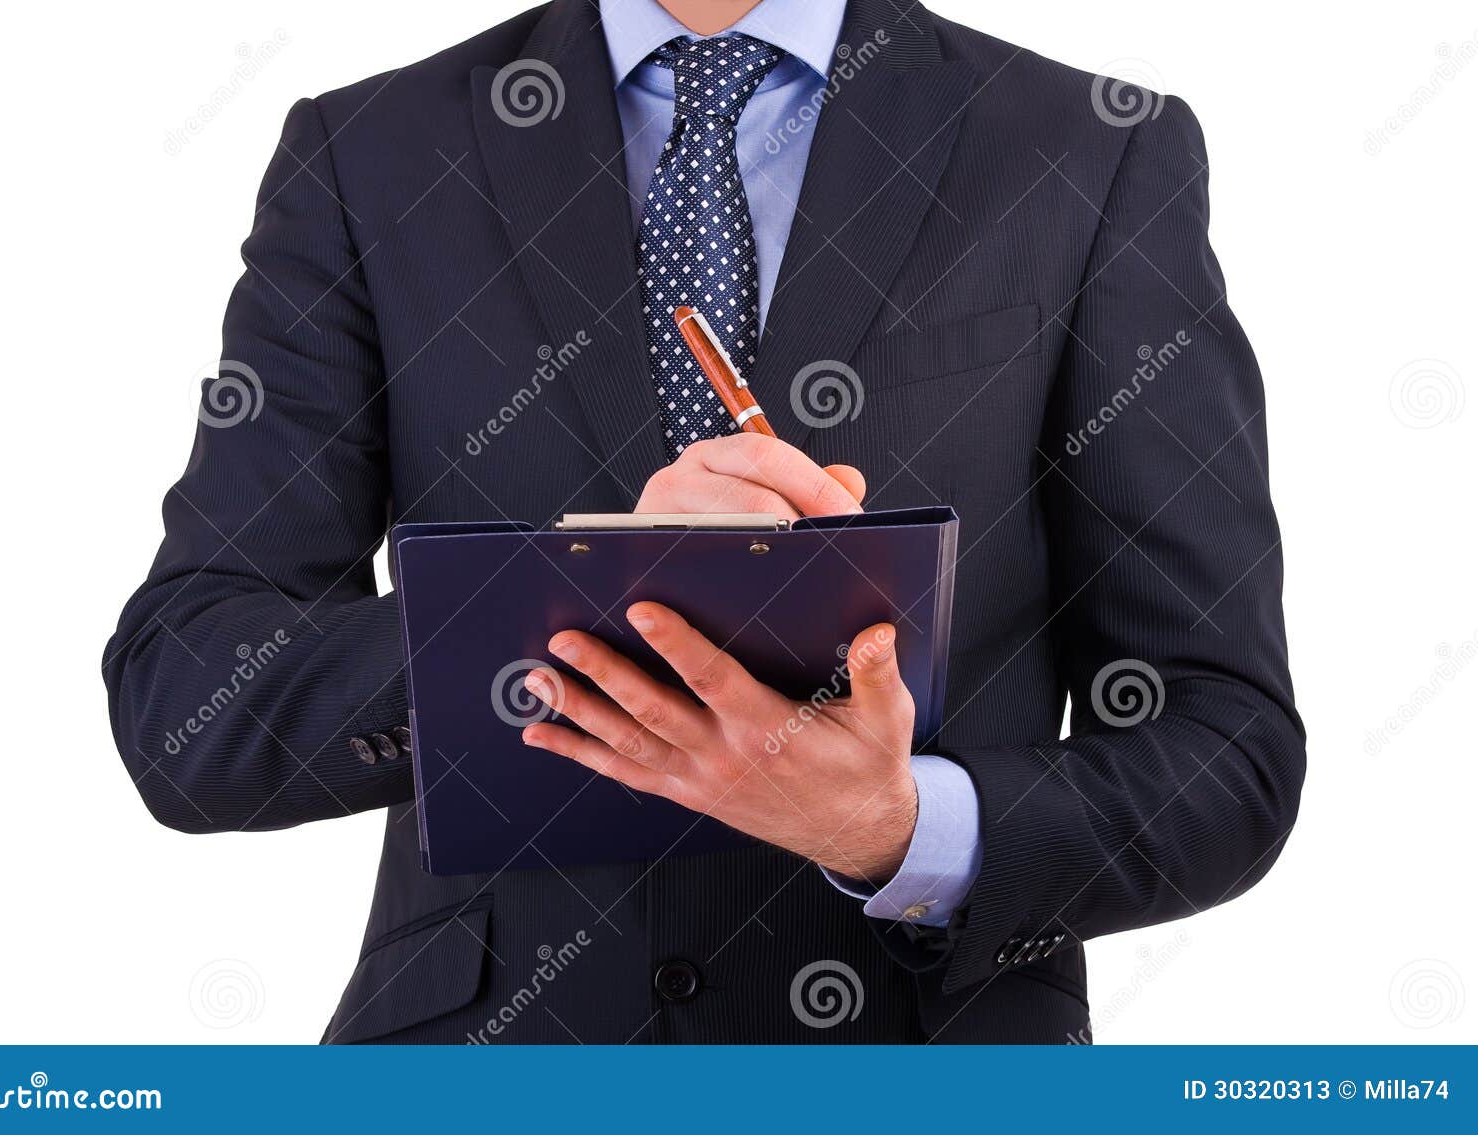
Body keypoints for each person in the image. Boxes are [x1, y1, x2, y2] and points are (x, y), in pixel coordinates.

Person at [104, 0, 1305, 1043]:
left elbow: (1225, 745)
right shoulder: (369, 151)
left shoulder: (1086, 148)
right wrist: (583, 591)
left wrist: (895, 829)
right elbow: (184, 707)